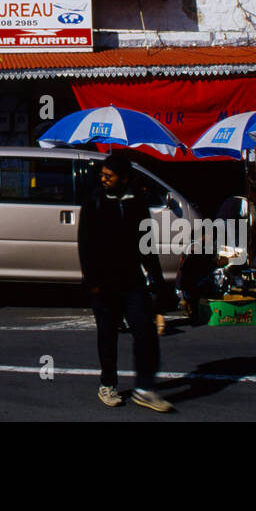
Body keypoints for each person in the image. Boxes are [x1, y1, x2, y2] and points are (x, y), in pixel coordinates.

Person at [77, 153, 174, 412]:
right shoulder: (94, 200)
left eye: (110, 176)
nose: (104, 179)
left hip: (132, 280)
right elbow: (85, 245)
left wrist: (157, 280)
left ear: (125, 178)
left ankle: (144, 387)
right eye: (103, 175)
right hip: (104, 282)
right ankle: (107, 383)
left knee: (145, 330)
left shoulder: (137, 201)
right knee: (107, 335)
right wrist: (93, 282)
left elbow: (146, 244)